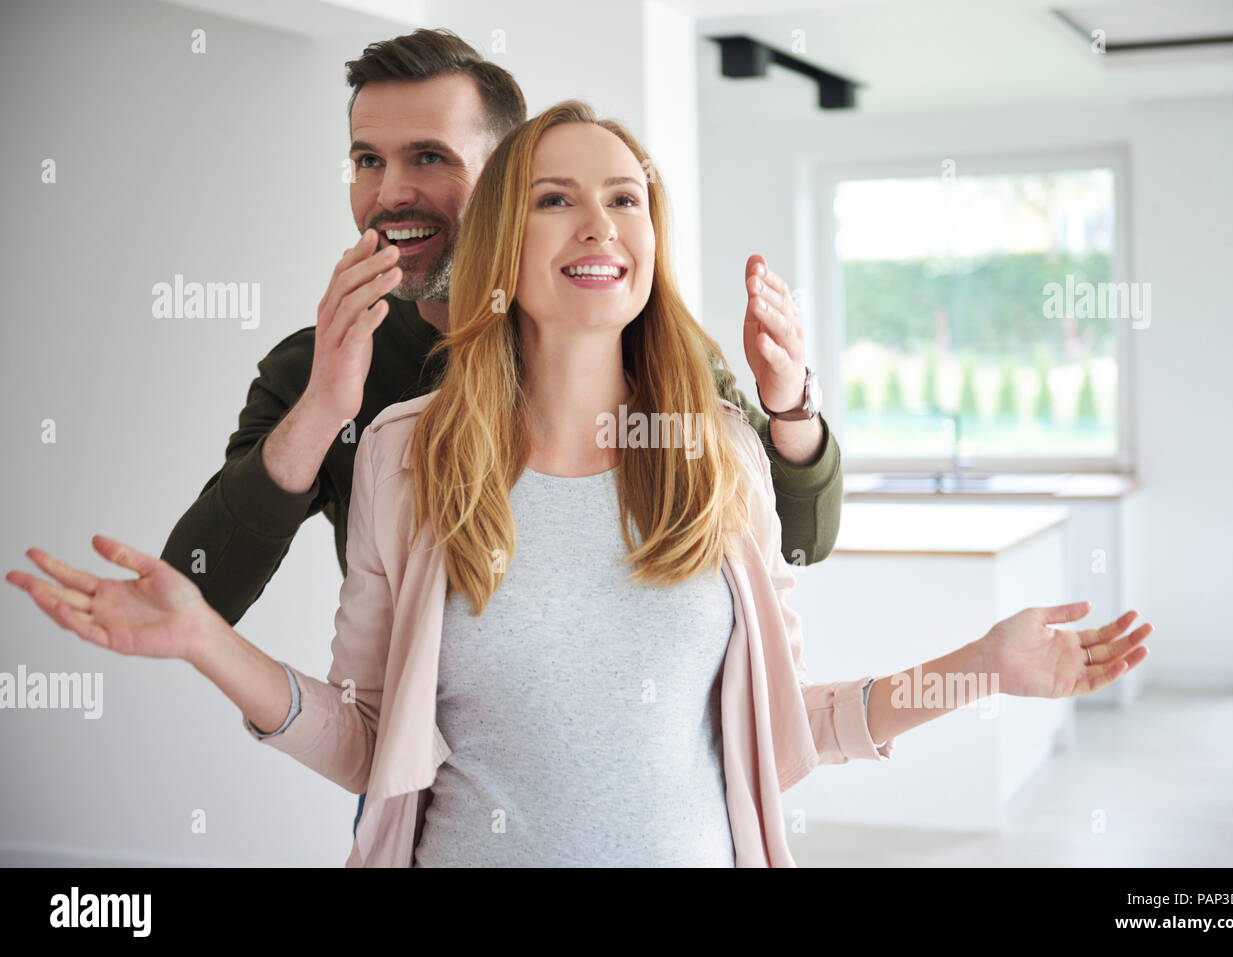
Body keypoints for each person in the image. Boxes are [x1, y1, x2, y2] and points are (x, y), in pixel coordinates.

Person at [7, 100, 1153, 867]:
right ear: (504, 242)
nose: (601, 221)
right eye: (556, 196)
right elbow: (369, 743)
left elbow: (790, 728)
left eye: (627, 196)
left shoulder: (721, 454)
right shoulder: (407, 457)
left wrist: (979, 673)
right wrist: (205, 639)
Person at [158, 27, 844, 840]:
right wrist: (320, 410)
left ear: (504, 186)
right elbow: (194, 594)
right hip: (426, 785)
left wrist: (791, 406)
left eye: (429, 158)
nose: (389, 194)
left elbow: (793, 544)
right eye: (367, 161)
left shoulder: (645, 352)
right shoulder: (321, 367)